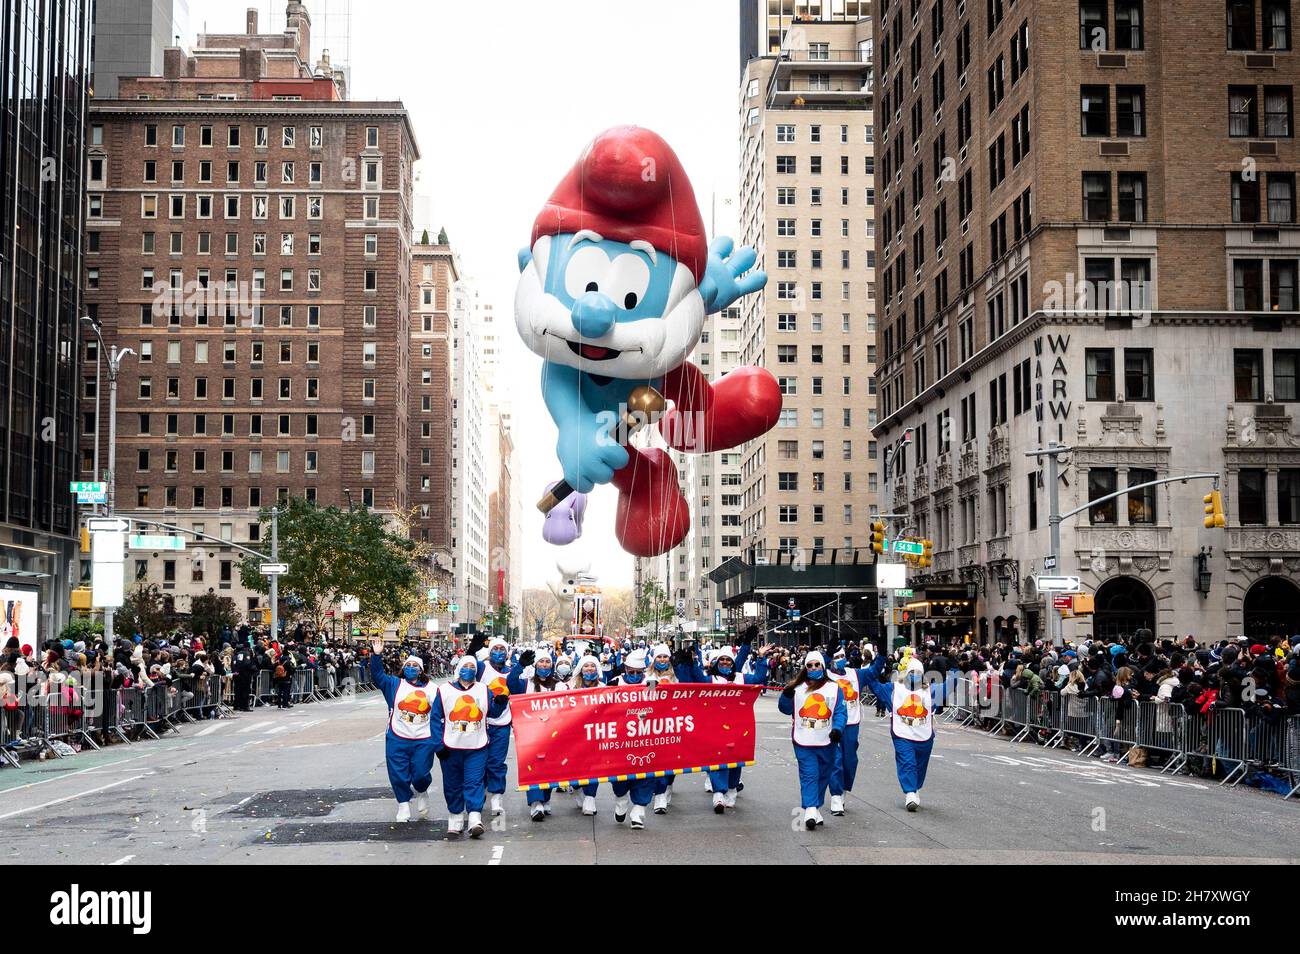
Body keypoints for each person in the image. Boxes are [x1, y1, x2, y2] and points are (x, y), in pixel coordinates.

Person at [431, 654, 507, 837]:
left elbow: (493, 713)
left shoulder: (483, 689)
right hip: (450, 747)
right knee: (452, 784)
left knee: (474, 781)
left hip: (477, 746)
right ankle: (456, 817)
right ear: (458, 669)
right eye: (465, 666)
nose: (469, 670)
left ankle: (474, 817)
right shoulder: (444, 690)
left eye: (472, 667)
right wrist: (437, 745)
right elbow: (434, 719)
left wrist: (500, 703)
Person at [369, 638, 437, 822]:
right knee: (398, 774)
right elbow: (377, 675)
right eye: (408, 664)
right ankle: (403, 804)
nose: (411, 668)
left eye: (415, 665)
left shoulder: (433, 689)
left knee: (421, 774)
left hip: (424, 738)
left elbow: (441, 714)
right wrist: (376, 655)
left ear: (421, 670)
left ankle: (422, 792)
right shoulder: (394, 684)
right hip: (398, 737)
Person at [778, 651, 846, 830]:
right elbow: (785, 709)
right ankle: (809, 810)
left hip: (827, 740)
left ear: (823, 667)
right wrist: (786, 694)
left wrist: (838, 729)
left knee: (824, 775)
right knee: (809, 774)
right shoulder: (797, 687)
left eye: (817, 665)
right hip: (803, 740)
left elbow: (840, 712)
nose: (814, 668)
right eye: (810, 665)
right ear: (805, 668)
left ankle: (815, 807)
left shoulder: (834, 688)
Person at [860, 651, 935, 811]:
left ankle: (915, 788)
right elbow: (876, 687)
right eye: (912, 672)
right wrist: (869, 670)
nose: (915, 675)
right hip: (903, 734)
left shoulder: (930, 691)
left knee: (920, 766)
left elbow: (949, 687)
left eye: (918, 673)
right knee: (907, 762)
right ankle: (909, 793)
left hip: (924, 736)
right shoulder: (894, 689)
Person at [509, 648, 569, 821]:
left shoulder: (559, 685)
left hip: (552, 733)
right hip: (530, 734)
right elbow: (511, 684)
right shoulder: (526, 683)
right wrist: (519, 666)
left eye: (547, 662)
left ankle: (546, 798)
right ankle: (535, 802)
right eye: (541, 662)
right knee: (533, 767)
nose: (544, 665)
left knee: (549, 766)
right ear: (535, 665)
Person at [607, 649, 655, 829]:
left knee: (647, 771)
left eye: (638, 673)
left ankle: (639, 810)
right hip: (620, 737)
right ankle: (621, 800)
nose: (635, 676)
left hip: (646, 735)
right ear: (625, 669)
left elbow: (659, 703)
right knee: (619, 775)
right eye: (631, 672)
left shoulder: (651, 683)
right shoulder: (613, 683)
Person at [826, 647, 872, 816]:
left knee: (849, 760)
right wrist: (825, 654)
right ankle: (836, 796)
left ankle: (843, 789)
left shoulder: (855, 674)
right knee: (835, 759)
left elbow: (872, 672)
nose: (840, 659)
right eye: (836, 657)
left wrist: (881, 656)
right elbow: (810, 669)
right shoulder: (825, 675)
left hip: (852, 722)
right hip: (832, 722)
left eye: (842, 656)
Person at [477, 637, 515, 816]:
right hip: (480, 723)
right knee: (480, 763)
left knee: (496, 762)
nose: (499, 652)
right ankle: (480, 793)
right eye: (495, 648)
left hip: (502, 723)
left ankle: (496, 797)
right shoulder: (482, 668)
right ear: (489, 651)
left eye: (502, 648)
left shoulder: (511, 672)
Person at [569, 653, 606, 815]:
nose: (589, 669)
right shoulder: (570, 688)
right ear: (580, 669)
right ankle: (577, 787)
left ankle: (590, 798)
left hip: (595, 733)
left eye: (592, 666)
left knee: (593, 766)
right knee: (574, 767)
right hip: (574, 734)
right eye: (586, 666)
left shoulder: (604, 688)